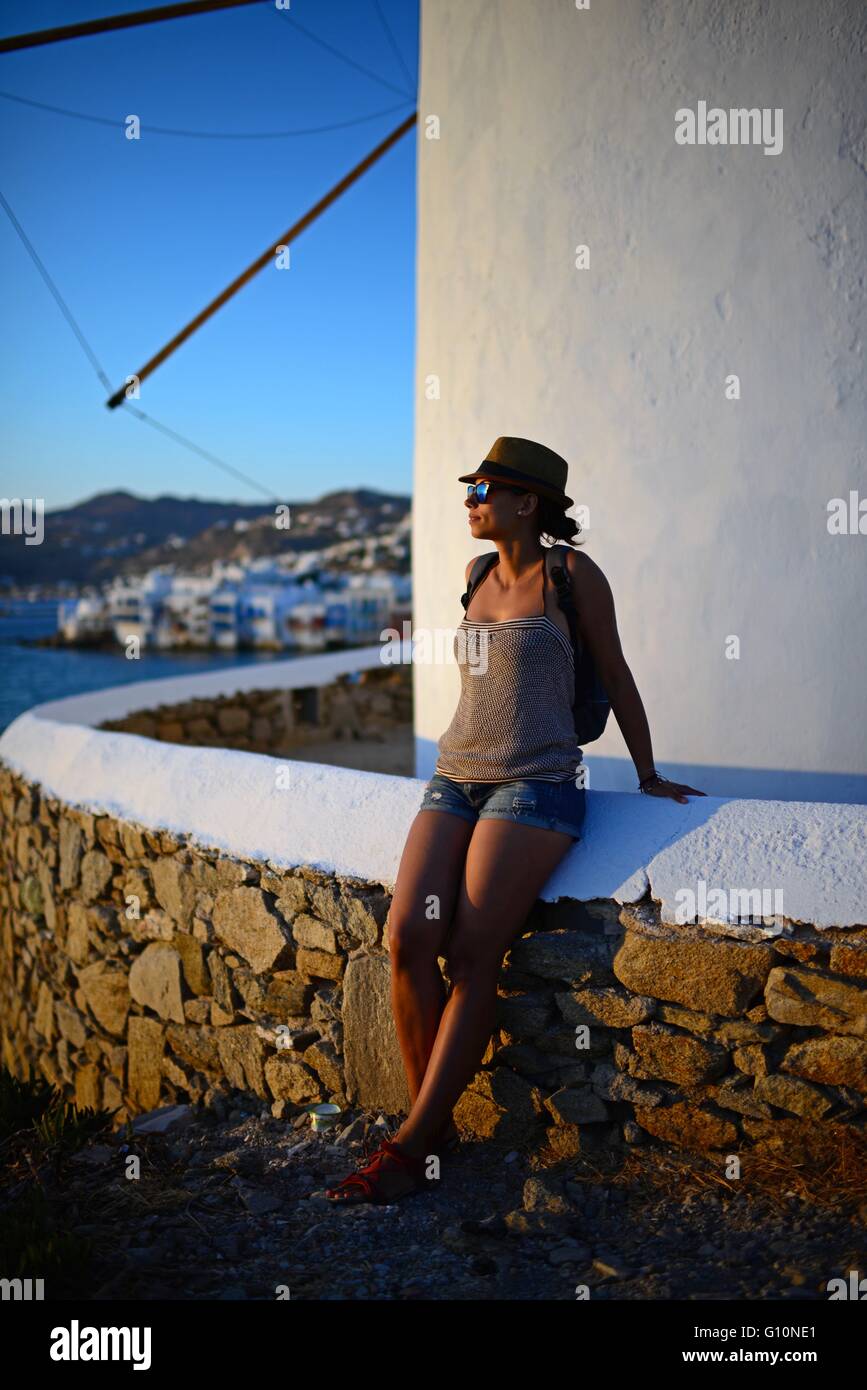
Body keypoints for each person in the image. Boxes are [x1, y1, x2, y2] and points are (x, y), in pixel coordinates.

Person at [326, 437, 704, 1204]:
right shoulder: (474, 575)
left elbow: (616, 669)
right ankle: (433, 1127)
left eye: (483, 488)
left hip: (536, 784)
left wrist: (646, 773)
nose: (470, 499)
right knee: (405, 939)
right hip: (453, 777)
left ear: (525, 502)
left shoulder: (570, 574)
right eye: (470, 487)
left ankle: (409, 1144)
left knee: (471, 954)